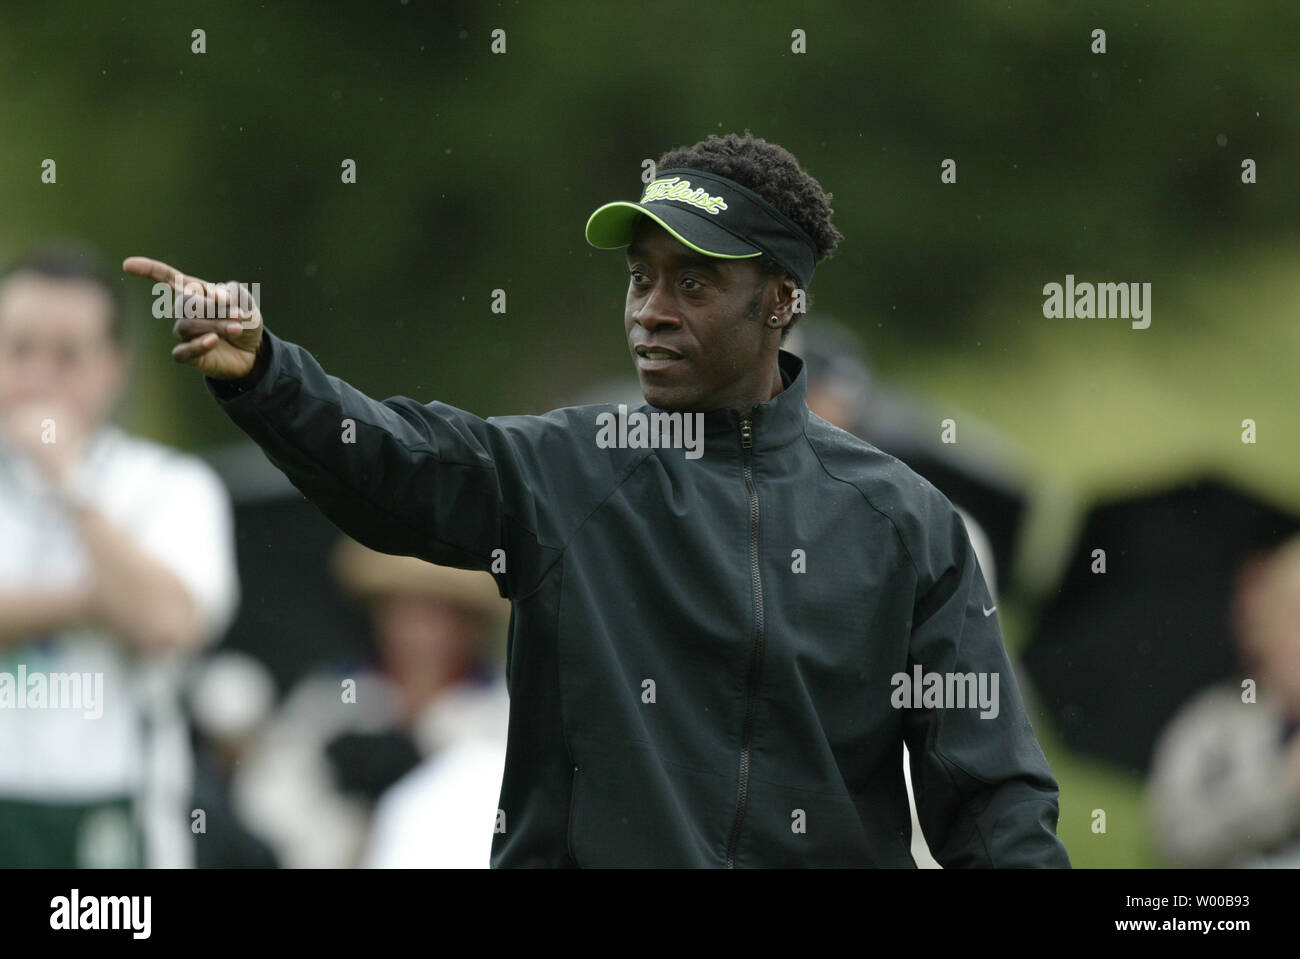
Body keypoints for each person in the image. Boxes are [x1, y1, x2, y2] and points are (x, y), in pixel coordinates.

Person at [122, 131, 1069, 867]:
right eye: (639, 278)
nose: (650, 310)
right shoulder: (570, 468)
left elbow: (992, 798)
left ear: (780, 301)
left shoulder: (906, 523)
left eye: (692, 282)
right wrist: (268, 375)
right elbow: (398, 464)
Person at [0, 245, 238, 867]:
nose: (39, 378)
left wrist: (71, 485)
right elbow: (133, 607)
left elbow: (165, 623)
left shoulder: (172, 486)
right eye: (18, 350)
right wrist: (91, 601)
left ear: (114, 366)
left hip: (118, 820)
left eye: (68, 355)